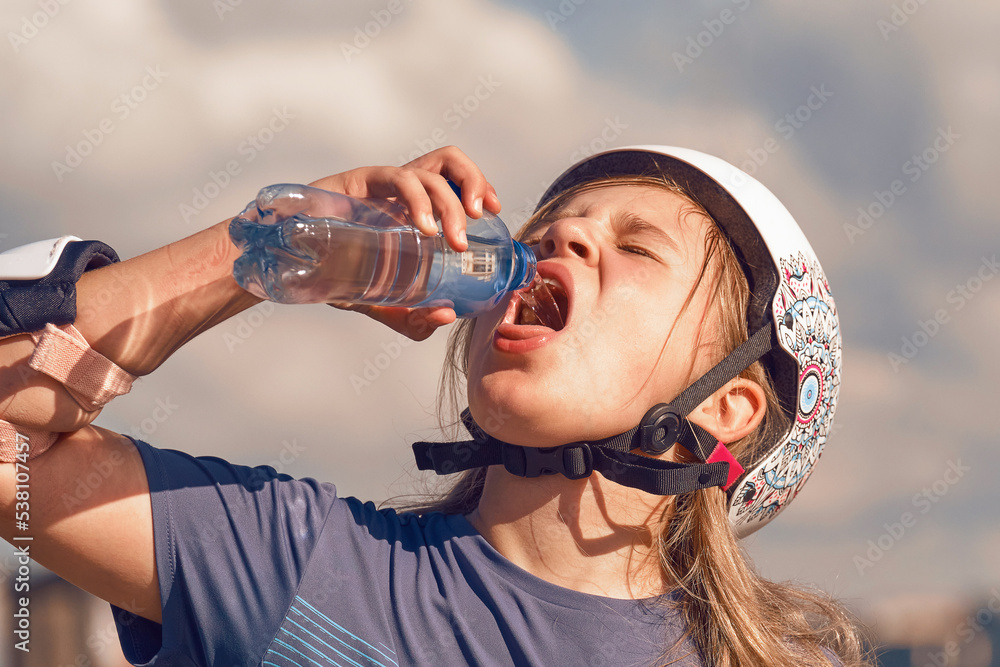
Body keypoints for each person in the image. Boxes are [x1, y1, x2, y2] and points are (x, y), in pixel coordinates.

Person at [0, 145, 867, 666]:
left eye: (636, 246)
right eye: (546, 230)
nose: (558, 236)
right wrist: (263, 247)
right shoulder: (300, 566)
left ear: (729, 407)